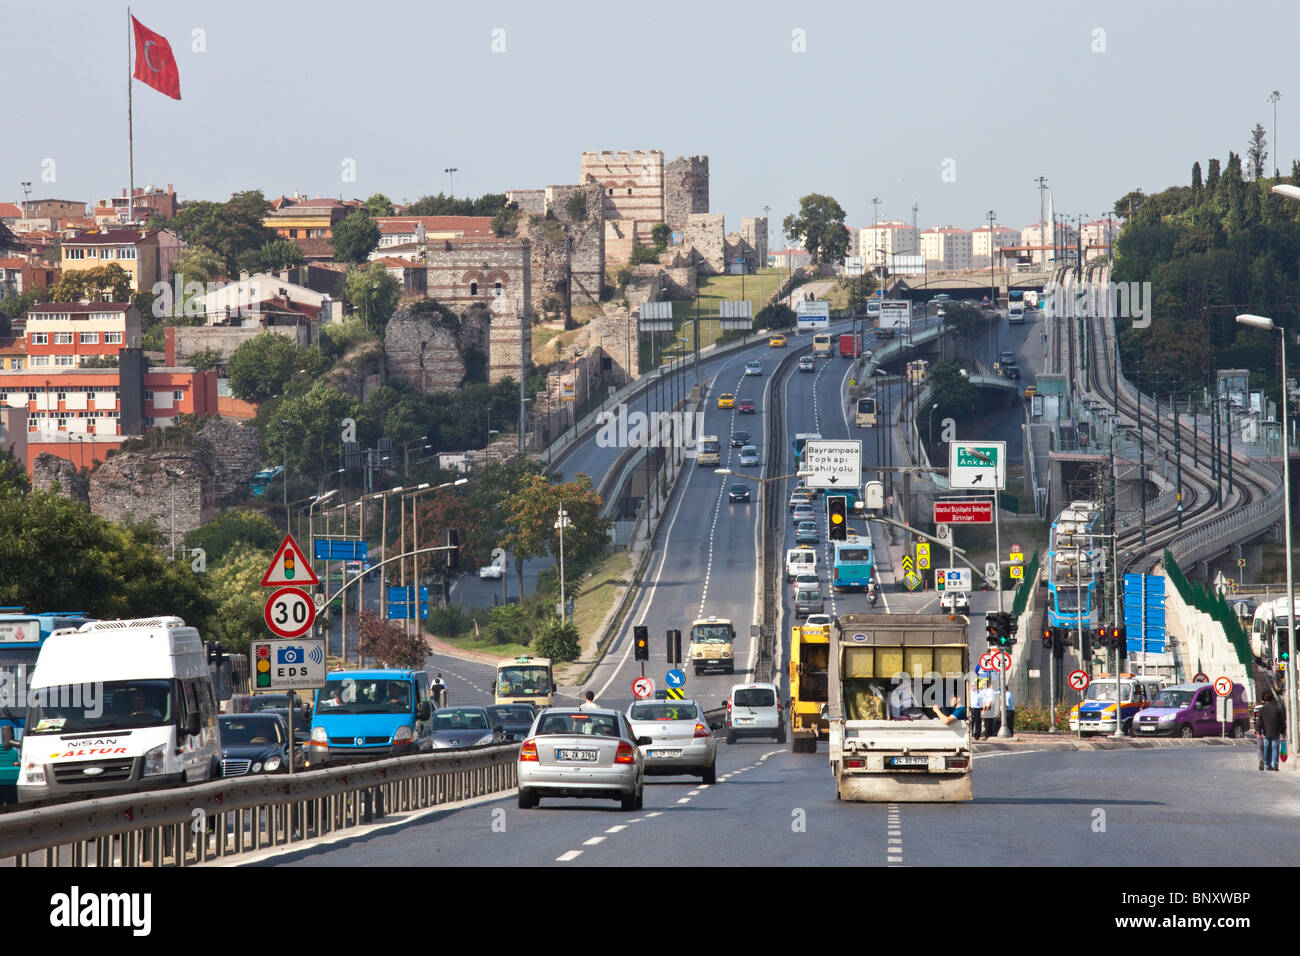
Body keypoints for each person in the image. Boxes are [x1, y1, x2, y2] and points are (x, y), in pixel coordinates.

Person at [1259, 694, 1286, 771]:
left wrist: (1258, 730)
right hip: (1276, 731)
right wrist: (1283, 731)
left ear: (1266, 699)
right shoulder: (1278, 708)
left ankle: (1267, 765)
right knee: (1275, 747)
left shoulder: (1262, 709)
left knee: (1267, 748)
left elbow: (1259, 721)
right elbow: (1282, 721)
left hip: (1266, 732)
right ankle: (1275, 764)